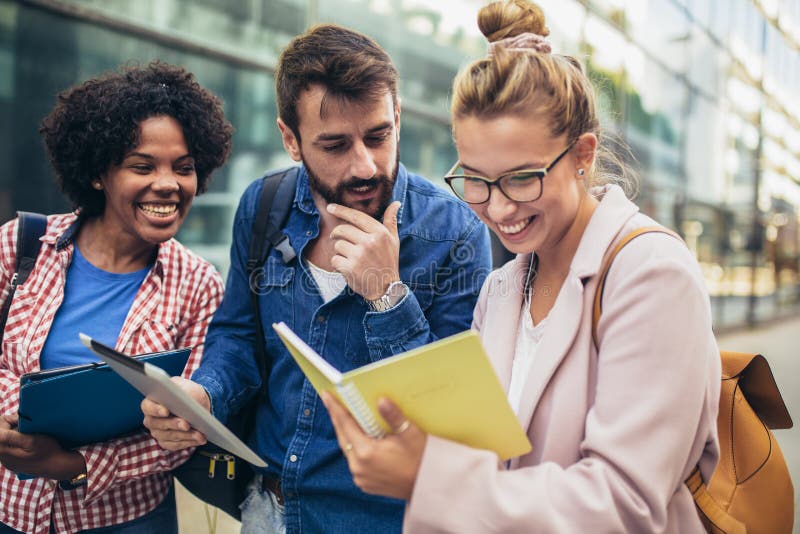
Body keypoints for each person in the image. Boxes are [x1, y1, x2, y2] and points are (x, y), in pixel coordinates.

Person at [321, 1, 721, 532]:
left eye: (522, 178)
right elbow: (492, 455)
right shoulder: (505, 285)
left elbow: (624, 502)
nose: (500, 209)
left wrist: (428, 476)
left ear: (582, 154)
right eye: (478, 181)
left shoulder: (651, 274)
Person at [141, 23, 491, 534]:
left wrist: (387, 295)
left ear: (398, 117)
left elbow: (450, 414)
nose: (365, 165)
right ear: (290, 140)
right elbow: (238, 336)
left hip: (382, 521)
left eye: (379, 136)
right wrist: (205, 395)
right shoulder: (263, 207)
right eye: (334, 145)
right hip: (268, 511)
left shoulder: (456, 232)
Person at [0, 62, 231, 534]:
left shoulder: (200, 284)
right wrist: (17, 416)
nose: (168, 183)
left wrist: (70, 463)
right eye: (142, 166)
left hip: (126, 521)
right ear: (99, 173)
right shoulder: (20, 246)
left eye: (183, 168)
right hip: (10, 510)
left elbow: (186, 431)